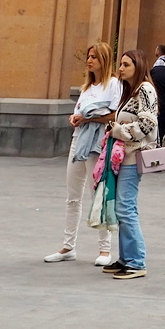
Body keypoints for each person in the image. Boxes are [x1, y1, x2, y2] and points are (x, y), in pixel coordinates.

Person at [44, 41, 121, 266]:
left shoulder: (113, 84)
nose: (89, 60)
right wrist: (75, 118)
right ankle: (68, 245)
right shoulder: (87, 87)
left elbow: (114, 114)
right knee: (73, 195)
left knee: (98, 192)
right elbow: (79, 111)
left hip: (98, 141)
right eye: (88, 56)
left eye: (94, 57)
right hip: (79, 139)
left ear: (104, 60)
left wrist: (89, 118)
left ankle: (105, 249)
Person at [104, 48, 159, 278]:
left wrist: (119, 130)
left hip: (132, 154)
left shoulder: (144, 89)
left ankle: (136, 262)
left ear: (138, 66)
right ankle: (126, 258)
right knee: (125, 207)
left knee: (125, 208)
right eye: (121, 64)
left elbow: (148, 124)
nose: (121, 68)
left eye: (126, 64)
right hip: (124, 155)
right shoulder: (131, 91)